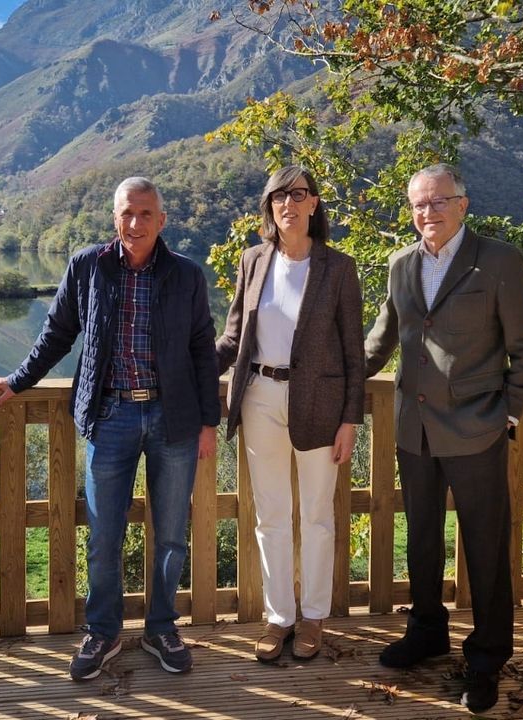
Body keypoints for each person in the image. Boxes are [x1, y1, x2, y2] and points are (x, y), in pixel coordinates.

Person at [0, 177, 220, 681]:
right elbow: (58, 333)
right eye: (126, 213)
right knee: (104, 535)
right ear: (115, 216)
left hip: (172, 419)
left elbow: (202, 347)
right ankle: (103, 631)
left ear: (162, 219)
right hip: (109, 417)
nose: (135, 224)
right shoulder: (87, 266)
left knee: (172, 535)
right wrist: (19, 381)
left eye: (145, 214)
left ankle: (161, 628)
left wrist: (206, 421)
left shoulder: (186, 275)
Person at [364, 163, 523, 712]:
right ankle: (427, 632)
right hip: (413, 430)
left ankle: (488, 658)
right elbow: (381, 339)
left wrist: (507, 414)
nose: (427, 213)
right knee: (420, 539)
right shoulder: (400, 264)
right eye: (419, 204)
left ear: (463, 204)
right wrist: (334, 375)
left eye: (438, 202)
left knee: (485, 547)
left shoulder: (498, 261)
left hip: (477, 428)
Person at [216, 166, 365, 663]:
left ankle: (315, 617)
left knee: (318, 516)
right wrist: (188, 368)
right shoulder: (252, 260)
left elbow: (352, 354)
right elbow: (234, 338)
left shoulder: (338, 268)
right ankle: (279, 617)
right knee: (271, 515)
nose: (289, 204)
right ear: (269, 208)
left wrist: (351, 419)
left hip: (320, 404)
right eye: (279, 197)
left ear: (314, 205)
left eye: (299, 195)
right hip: (260, 397)